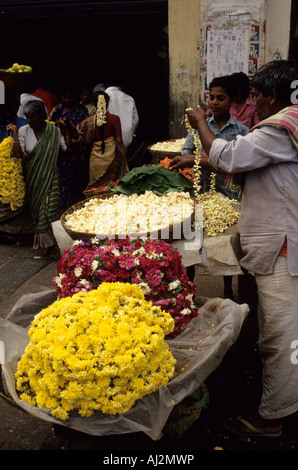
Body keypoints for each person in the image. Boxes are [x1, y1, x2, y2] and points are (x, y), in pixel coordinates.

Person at [185, 59, 298, 438]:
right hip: (280, 244)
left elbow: (231, 156)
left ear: (270, 96)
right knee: (281, 331)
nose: (253, 103)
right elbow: (253, 165)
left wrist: (200, 121)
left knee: (281, 336)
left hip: (284, 249)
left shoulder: (282, 126)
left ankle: (274, 417)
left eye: (255, 96)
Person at [6, 100, 69, 256]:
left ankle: (52, 245)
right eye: (27, 117)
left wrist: (67, 131)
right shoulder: (23, 131)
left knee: (50, 211)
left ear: (41, 116)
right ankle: (49, 246)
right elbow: (18, 154)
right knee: (39, 213)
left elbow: (66, 150)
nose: (29, 120)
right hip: (33, 178)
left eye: (32, 117)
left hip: (51, 177)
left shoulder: (54, 131)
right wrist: (14, 133)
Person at [170, 75, 249, 199]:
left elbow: (238, 163)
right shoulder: (199, 125)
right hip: (199, 191)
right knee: (199, 218)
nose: (214, 102)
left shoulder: (241, 131)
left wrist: (196, 159)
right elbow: (185, 154)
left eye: (221, 98)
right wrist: (214, 158)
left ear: (232, 101)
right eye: (211, 98)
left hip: (229, 195)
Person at [77, 91, 129, 189]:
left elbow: (81, 138)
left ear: (94, 104)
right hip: (111, 157)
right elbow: (119, 142)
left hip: (96, 159)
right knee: (111, 188)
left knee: (96, 188)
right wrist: (126, 163)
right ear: (107, 103)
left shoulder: (88, 122)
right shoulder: (115, 119)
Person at [49, 86, 89, 209]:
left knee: (72, 180)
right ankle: (60, 207)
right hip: (58, 151)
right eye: (64, 97)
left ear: (75, 97)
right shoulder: (57, 110)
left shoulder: (81, 111)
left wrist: (82, 153)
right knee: (60, 180)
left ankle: (69, 207)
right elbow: (49, 127)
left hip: (74, 152)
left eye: (69, 97)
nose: (66, 100)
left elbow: (83, 134)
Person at [103, 82, 139, 149]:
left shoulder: (102, 98)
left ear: (104, 84)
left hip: (110, 138)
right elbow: (136, 119)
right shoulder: (129, 98)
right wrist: (130, 133)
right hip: (127, 137)